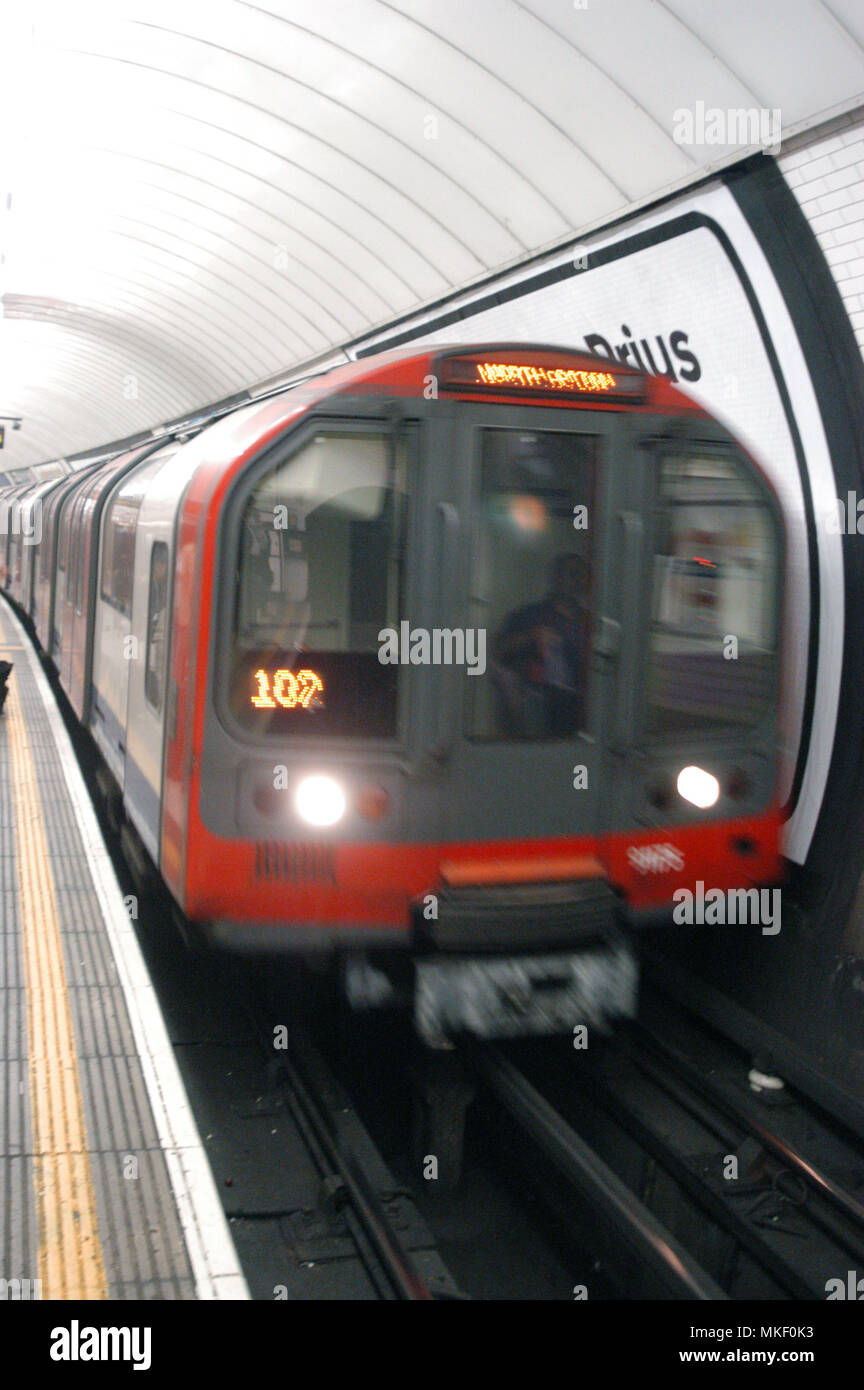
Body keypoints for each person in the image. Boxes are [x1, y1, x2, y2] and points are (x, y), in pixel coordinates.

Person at [493, 554, 588, 737]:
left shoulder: (591, 622)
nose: (576, 581)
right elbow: (498, 649)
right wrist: (532, 635)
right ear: (556, 577)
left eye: (581, 575)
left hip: (583, 719)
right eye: (571, 573)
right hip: (538, 717)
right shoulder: (529, 615)